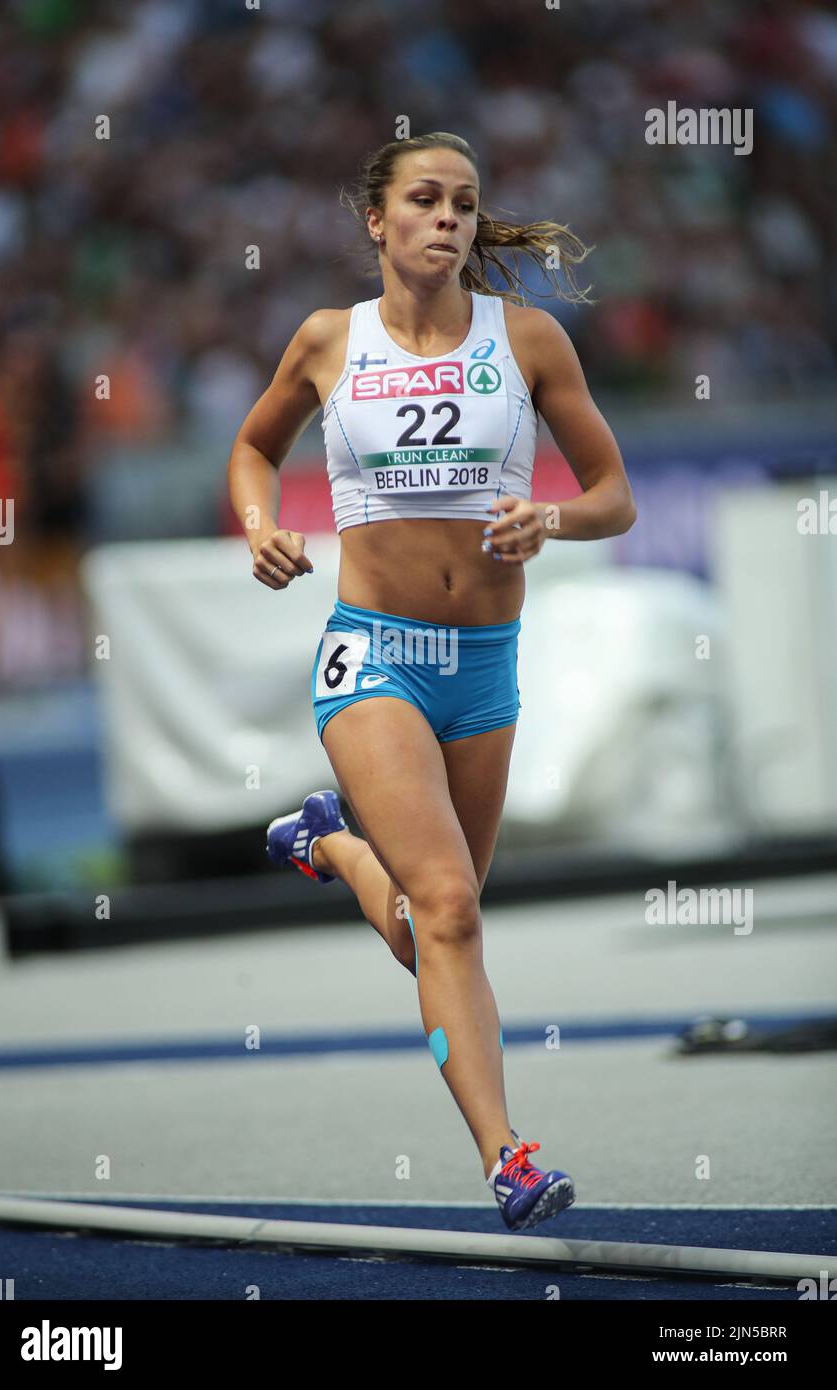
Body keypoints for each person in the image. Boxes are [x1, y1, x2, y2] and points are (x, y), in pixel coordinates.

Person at [227, 132, 636, 1232]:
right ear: (378, 220)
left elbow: (614, 494)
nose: (447, 217)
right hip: (373, 655)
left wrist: (552, 513)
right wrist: (261, 526)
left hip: (483, 669)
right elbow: (253, 448)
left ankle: (327, 844)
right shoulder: (327, 341)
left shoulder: (530, 340)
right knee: (451, 910)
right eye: (423, 199)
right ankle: (508, 1156)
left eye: (463, 202)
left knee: (427, 931)